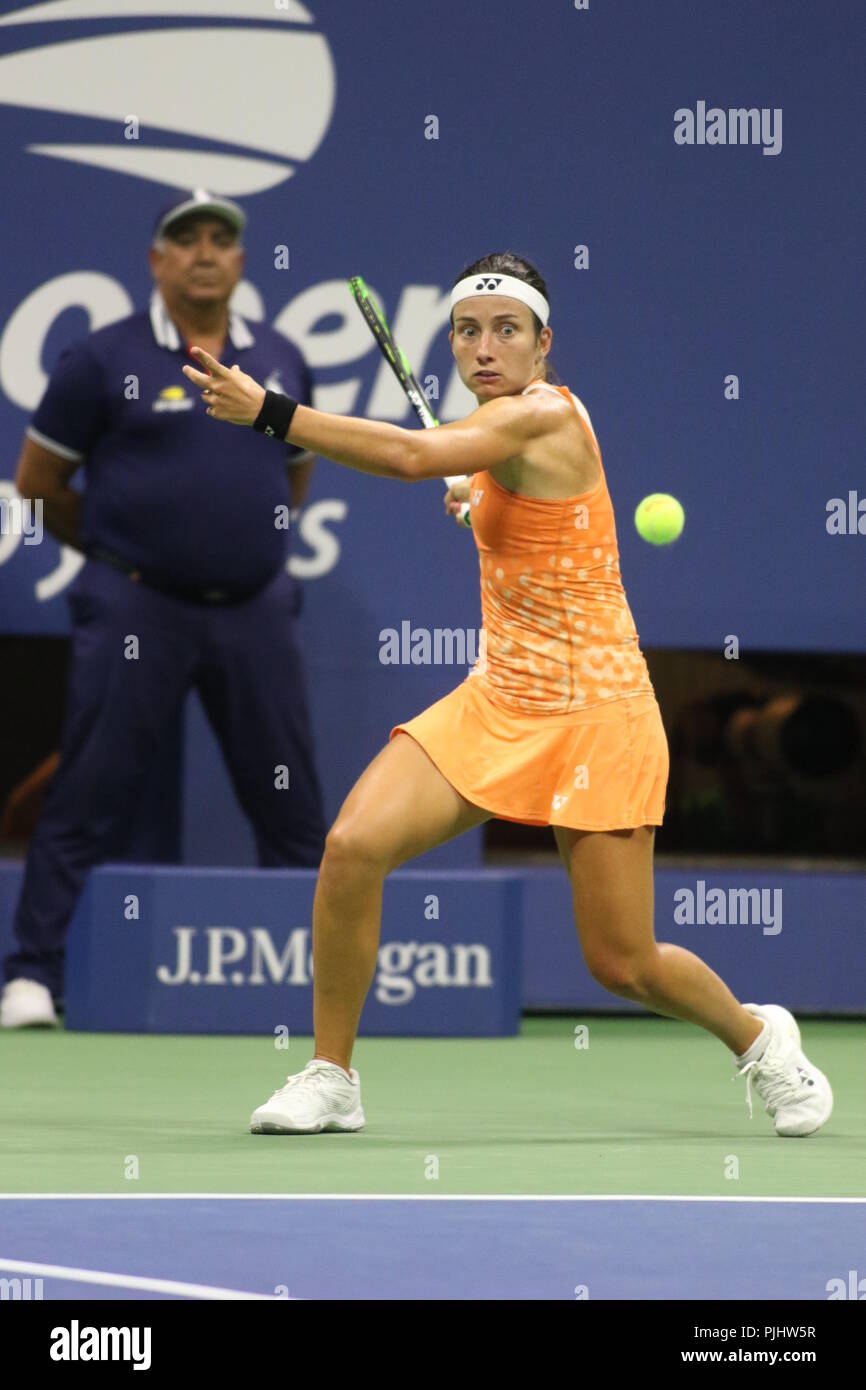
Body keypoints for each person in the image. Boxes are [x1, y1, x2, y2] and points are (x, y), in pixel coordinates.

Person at [183, 250, 833, 1140]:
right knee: (352, 846)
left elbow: (413, 453)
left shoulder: (544, 416)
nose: (484, 347)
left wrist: (271, 413)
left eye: (506, 331)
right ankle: (332, 1075)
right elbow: (491, 488)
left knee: (622, 962)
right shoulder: (498, 430)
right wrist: (480, 496)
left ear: (542, 344)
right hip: (501, 699)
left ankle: (761, 1038)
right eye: (467, 330)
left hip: (599, 712)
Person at [0, 190, 326, 1029]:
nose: (206, 252)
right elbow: (38, 487)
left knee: (289, 802)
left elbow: (293, 472)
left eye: (223, 239)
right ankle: (31, 976)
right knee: (89, 791)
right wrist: (122, 553)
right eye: (187, 240)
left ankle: (323, 989)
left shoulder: (284, 359)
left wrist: (242, 546)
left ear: (242, 262)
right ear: (157, 260)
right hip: (136, 608)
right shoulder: (100, 360)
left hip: (253, 612)